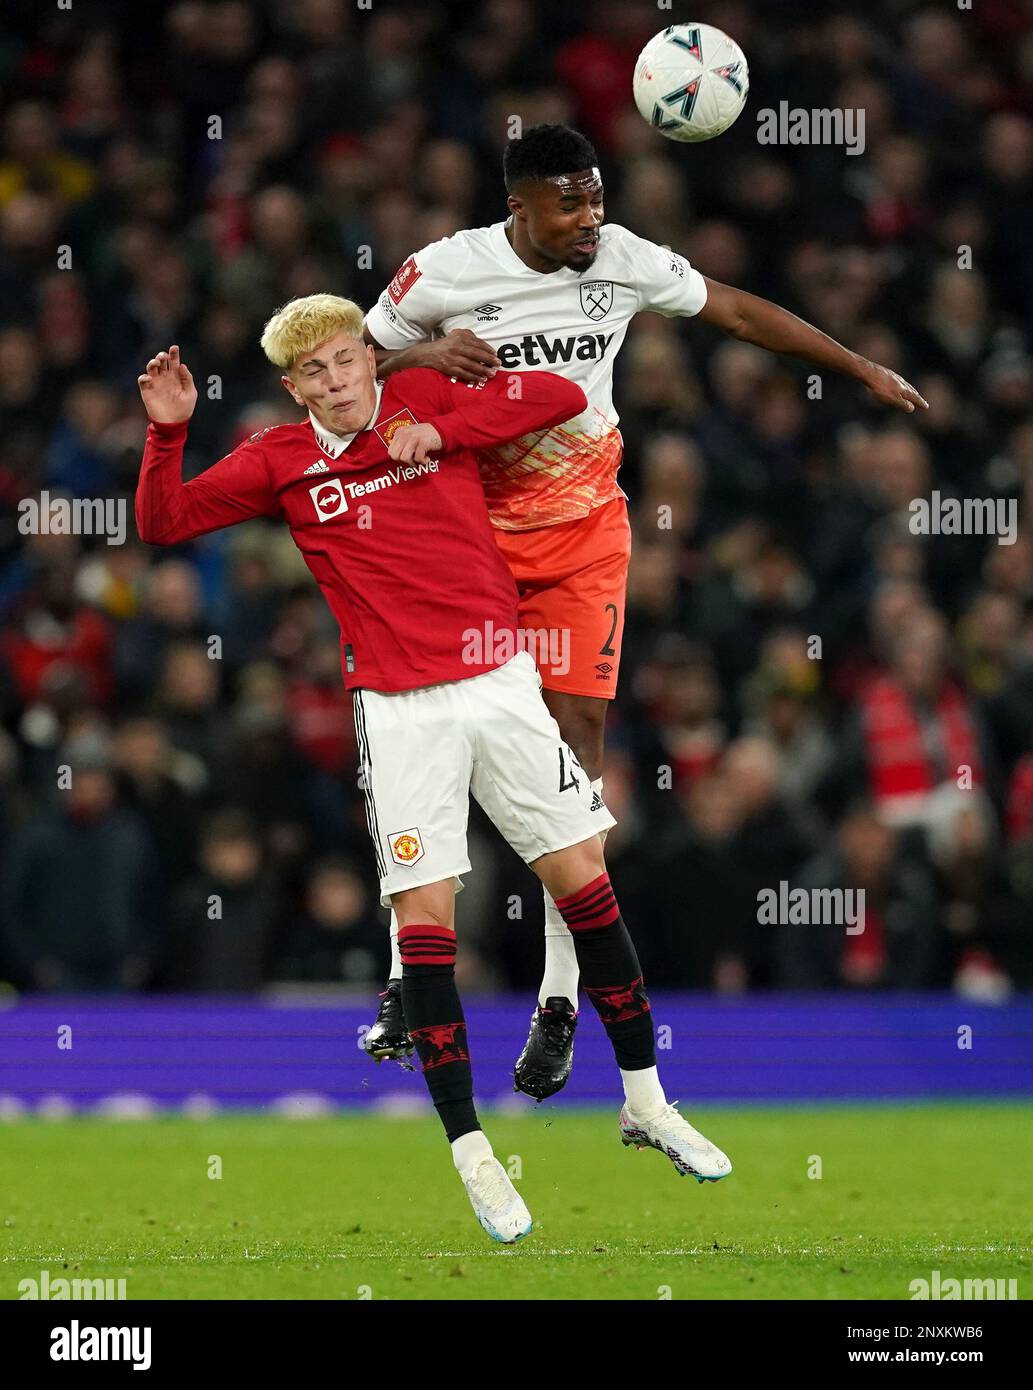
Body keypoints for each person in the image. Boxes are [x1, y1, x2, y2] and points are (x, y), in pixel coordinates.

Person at [134, 294, 731, 1244]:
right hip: (400, 712)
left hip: (500, 681)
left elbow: (551, 395)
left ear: (368, 358)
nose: (335, 384)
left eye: (345, 361)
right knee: (427, 923)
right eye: (314, 375)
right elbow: (164, 523)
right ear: (293, 389)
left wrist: (437, 425)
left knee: (584, 883)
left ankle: (645, 1101)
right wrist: (167, 435)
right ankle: (474, 1155)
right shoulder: (278, 462)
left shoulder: (419, 392)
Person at [361, 122, 930, 1097]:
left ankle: (556, 994)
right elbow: (349, 371)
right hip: (471, 537)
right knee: (431, 745)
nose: (591, 217)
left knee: (573, 748)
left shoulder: (621, 261)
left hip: (583, 535)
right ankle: (408, 974)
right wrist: (415, 369)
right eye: (571, 203)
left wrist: (856, 365)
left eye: (596, 197)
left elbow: (740, 313)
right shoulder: (441, 274)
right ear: (520, 209)